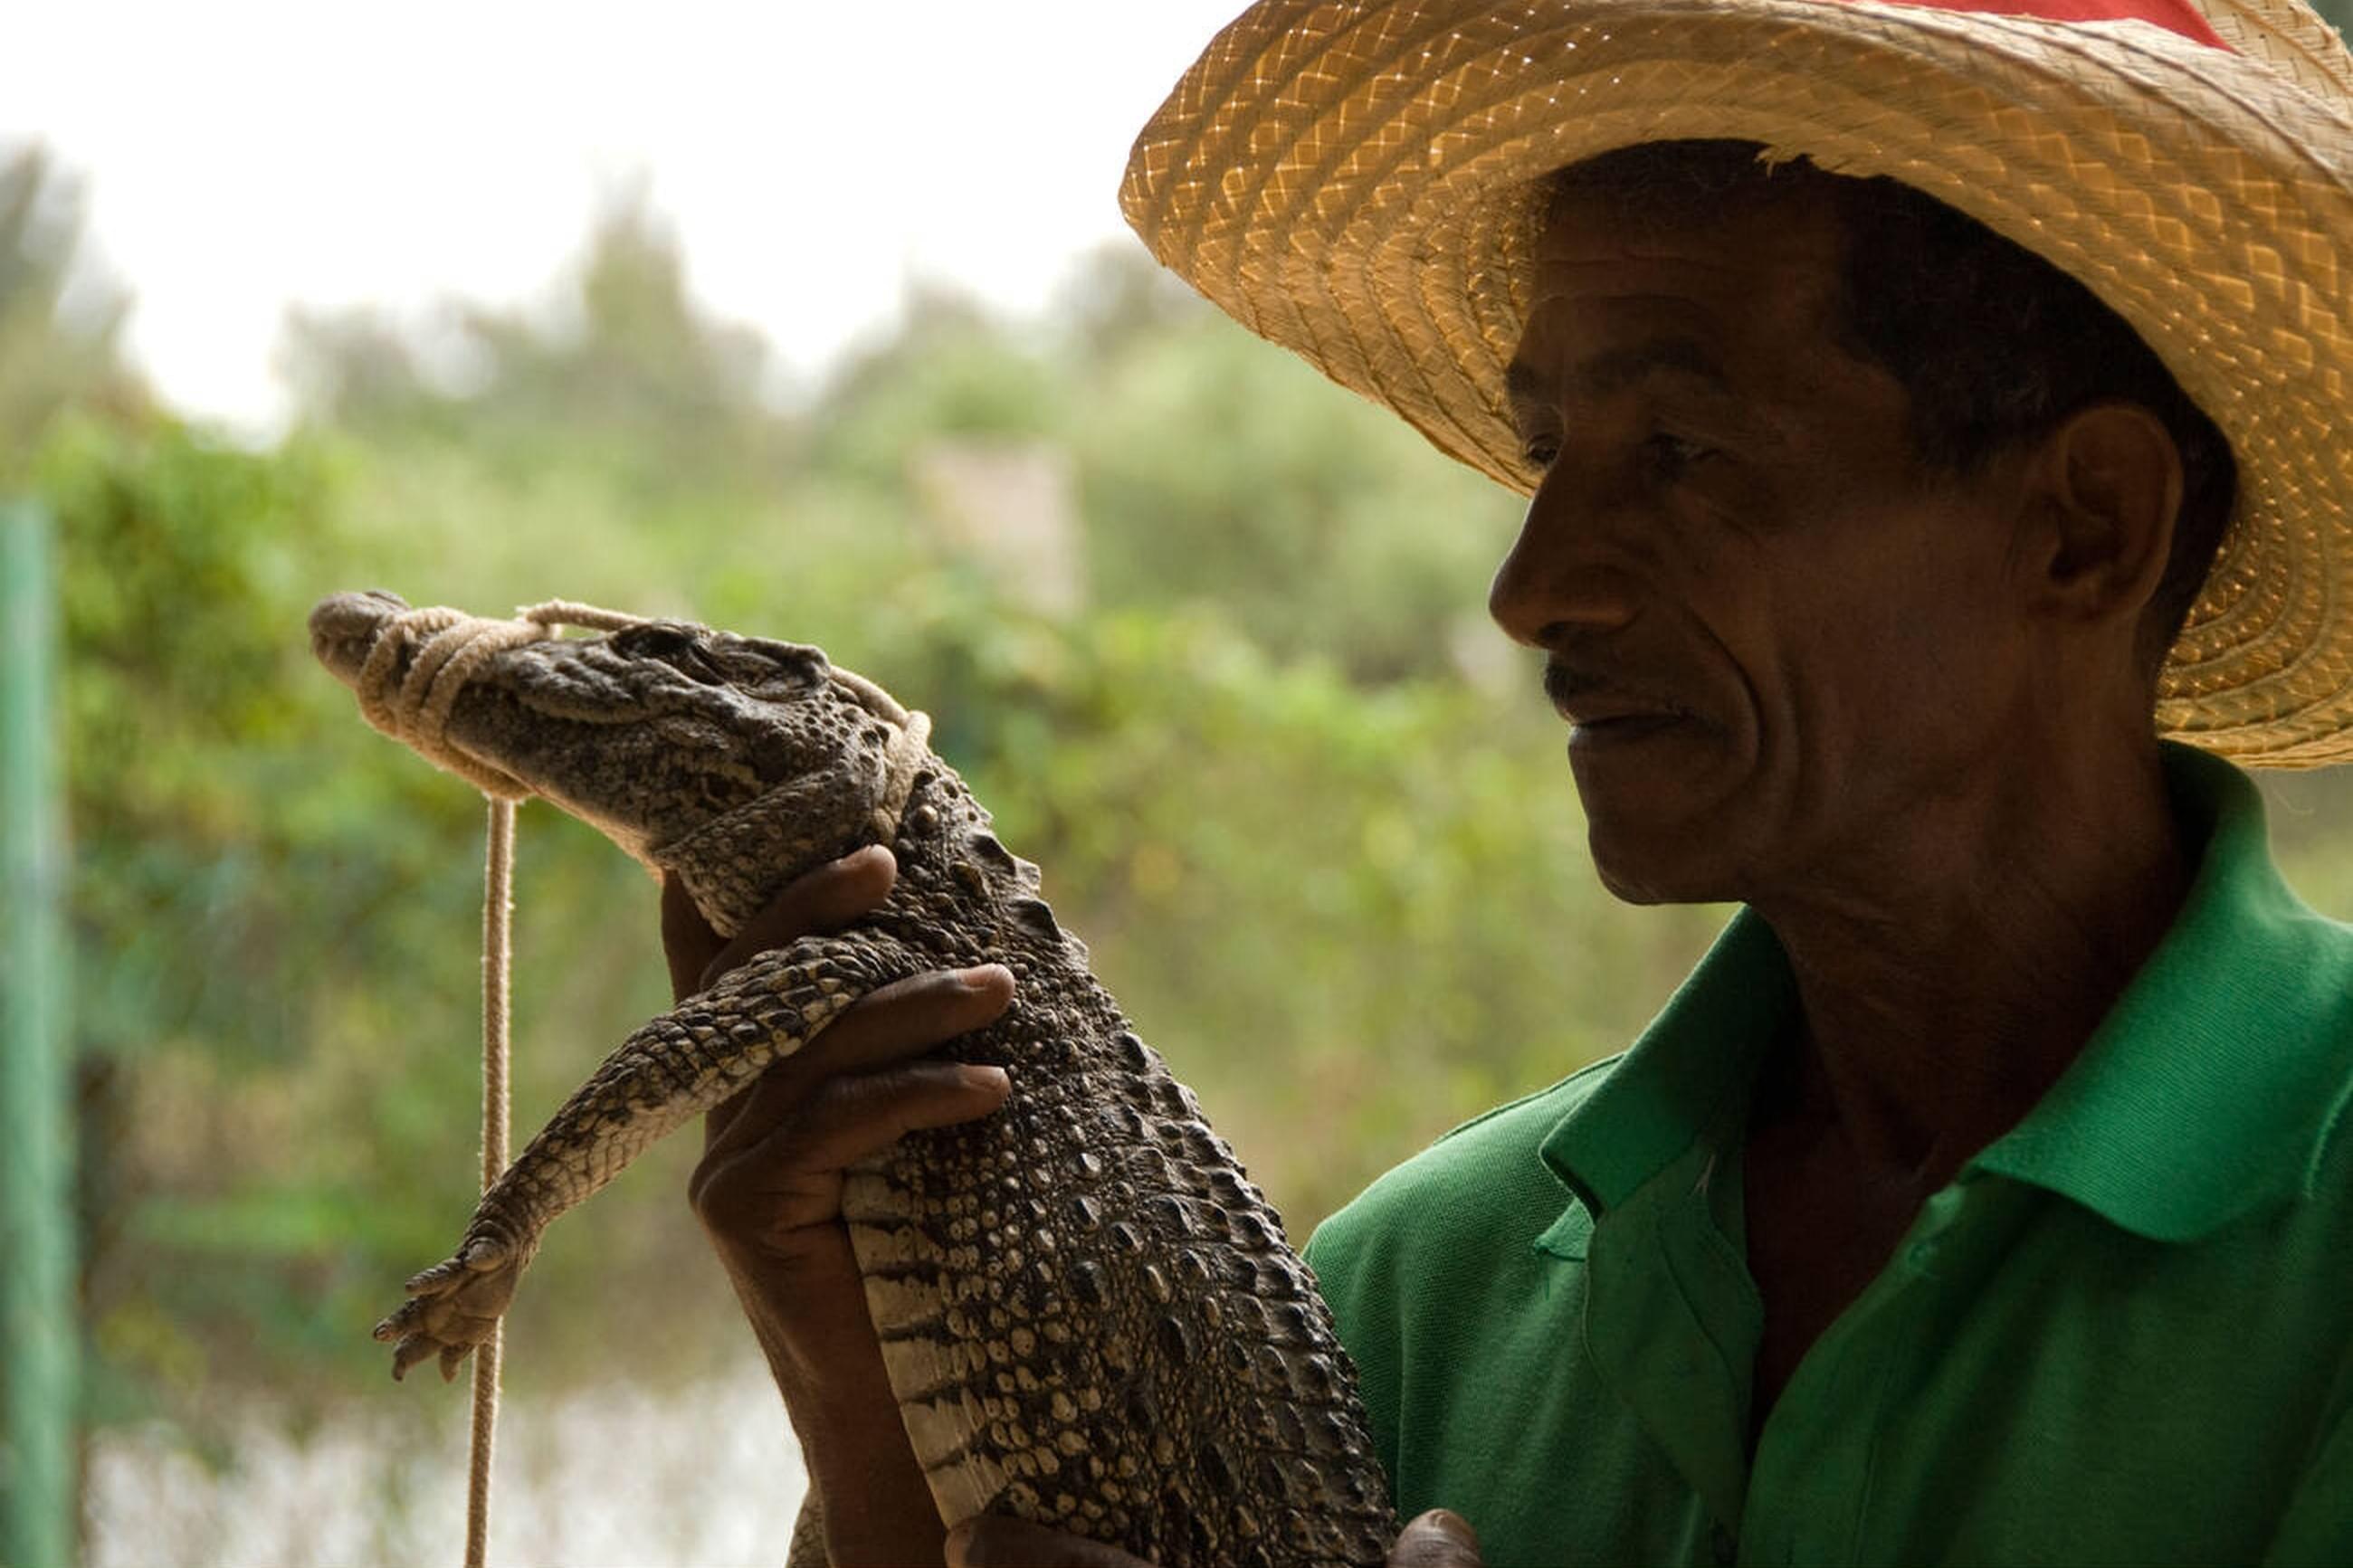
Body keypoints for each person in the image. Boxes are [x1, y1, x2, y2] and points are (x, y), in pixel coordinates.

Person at [664, 0, 2353, 1562]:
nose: (1534, 586)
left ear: (2086, 526)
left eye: (1683, 453)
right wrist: (862, 1399)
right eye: (1555, 455)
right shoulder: (1414, 1293)